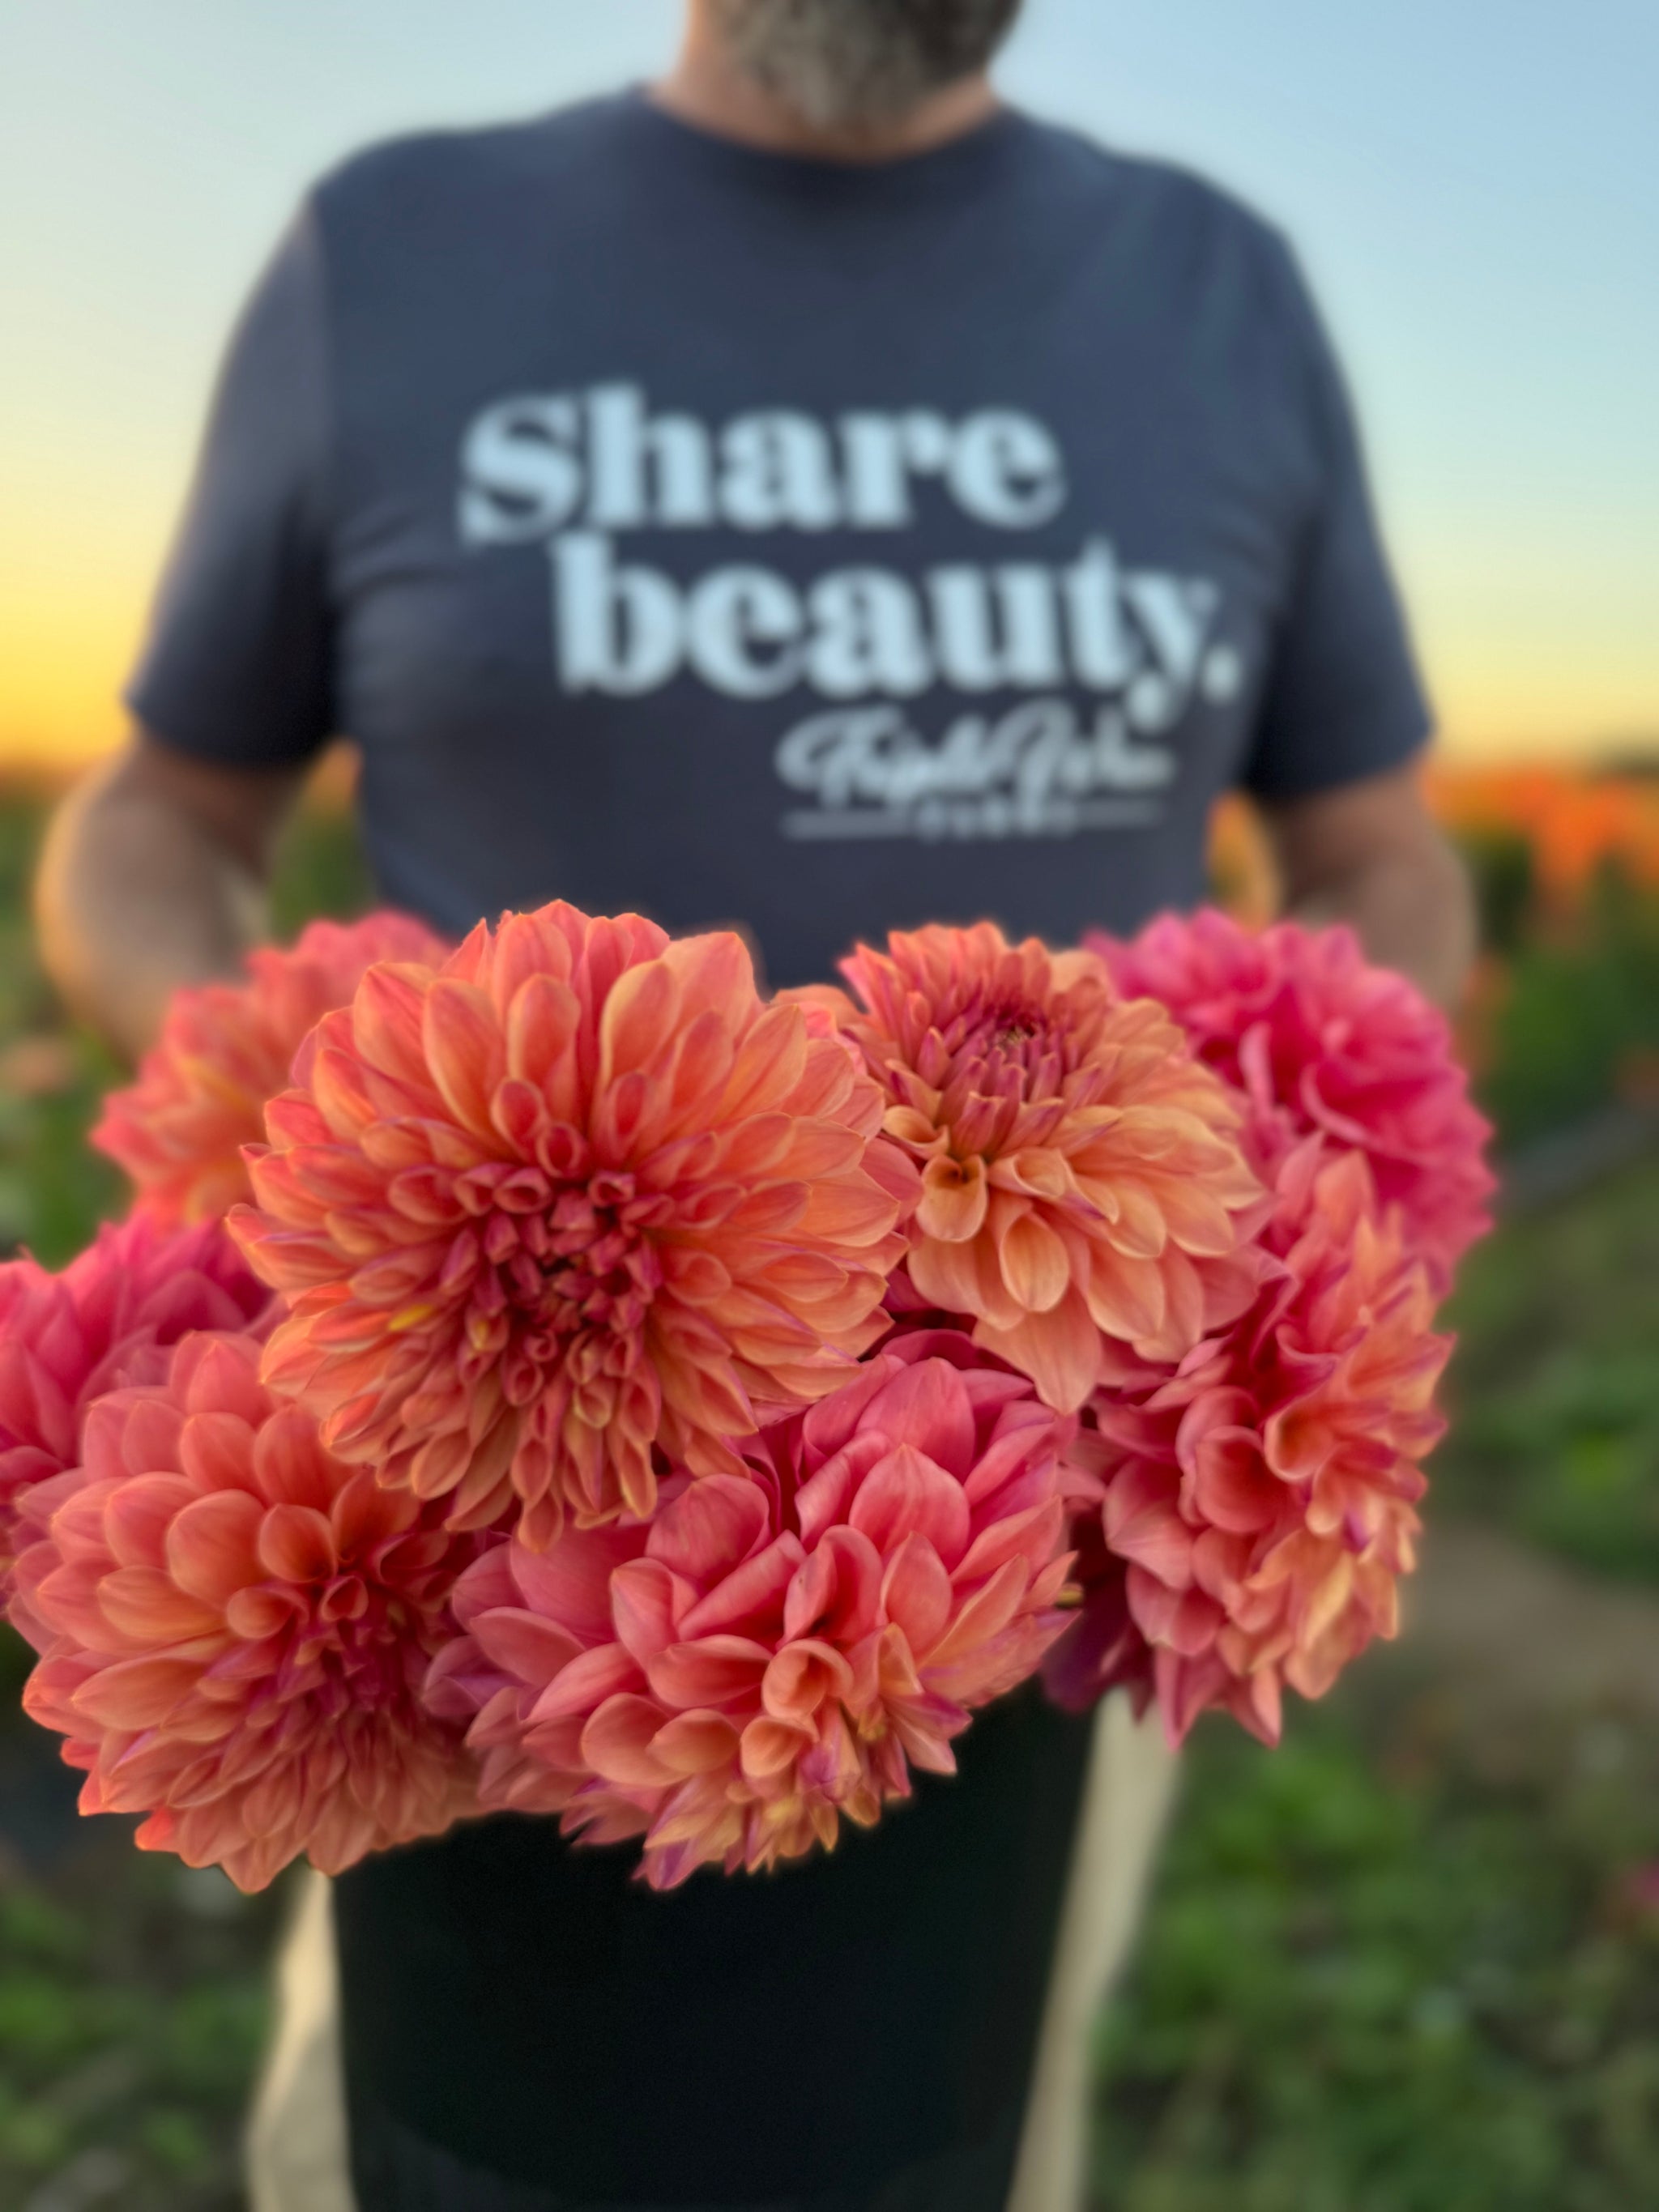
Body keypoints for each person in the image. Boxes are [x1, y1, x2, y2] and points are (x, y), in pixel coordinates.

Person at [36, 2, 1477, 2206]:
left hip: (1034, 1571)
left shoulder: (1223, 290)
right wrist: (286, 1074)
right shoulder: (393, 251)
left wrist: (1293, 1169)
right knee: (429, 2144)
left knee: (973, 2135)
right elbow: (153, 813)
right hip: (458, 1525)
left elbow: (1380, 853)